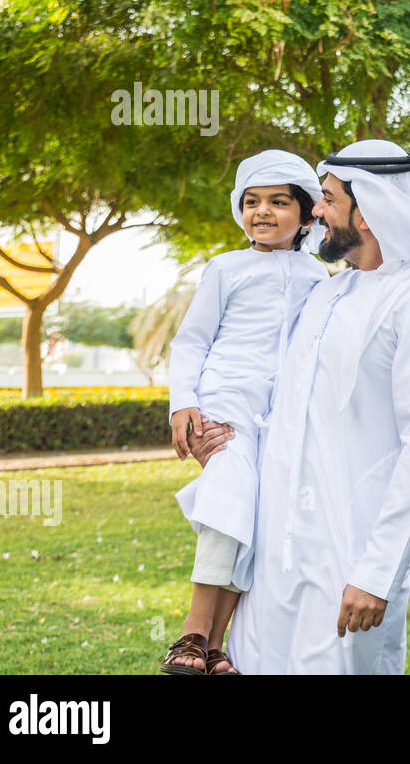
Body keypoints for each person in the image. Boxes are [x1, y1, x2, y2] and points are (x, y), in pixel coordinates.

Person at [213, 139, 410, 674]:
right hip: (273, 557)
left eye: (328, 198)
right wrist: (219, 429)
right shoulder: (327, 293)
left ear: (371, 210)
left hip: (349, 561)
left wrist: (377, 572)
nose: (317, 211)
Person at [159, 149, 329, 675]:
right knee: (230, 498)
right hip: (224, 406)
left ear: (306, 214)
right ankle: (192, 632)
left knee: (255, 520)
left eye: (279, 202)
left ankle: (214, 648)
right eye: (252, 201)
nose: (263, 212)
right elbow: (191, 341)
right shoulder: (225, 268)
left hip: (280, 419)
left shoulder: (320, 277)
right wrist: (183, 404)